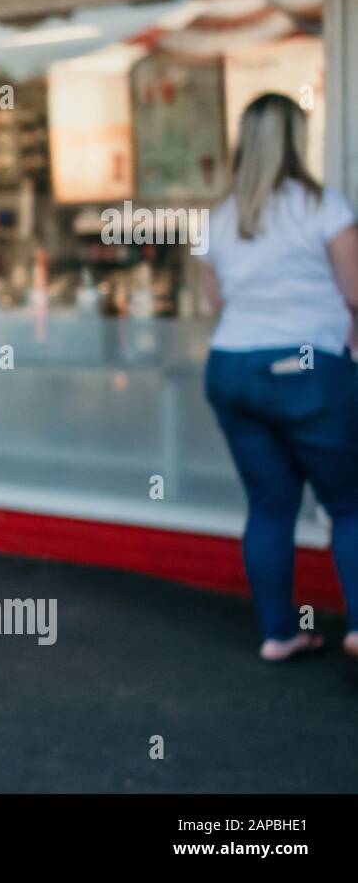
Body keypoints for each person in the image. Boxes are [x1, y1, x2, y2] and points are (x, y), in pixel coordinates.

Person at [197, 92, 358, 664]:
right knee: (349, 503)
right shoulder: (326, 208)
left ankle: (278, 633)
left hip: (233, 367)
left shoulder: (216, 220)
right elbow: (356, 293)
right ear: (296, 138)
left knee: (268, 505)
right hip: (309, 368)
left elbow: (217, 300)